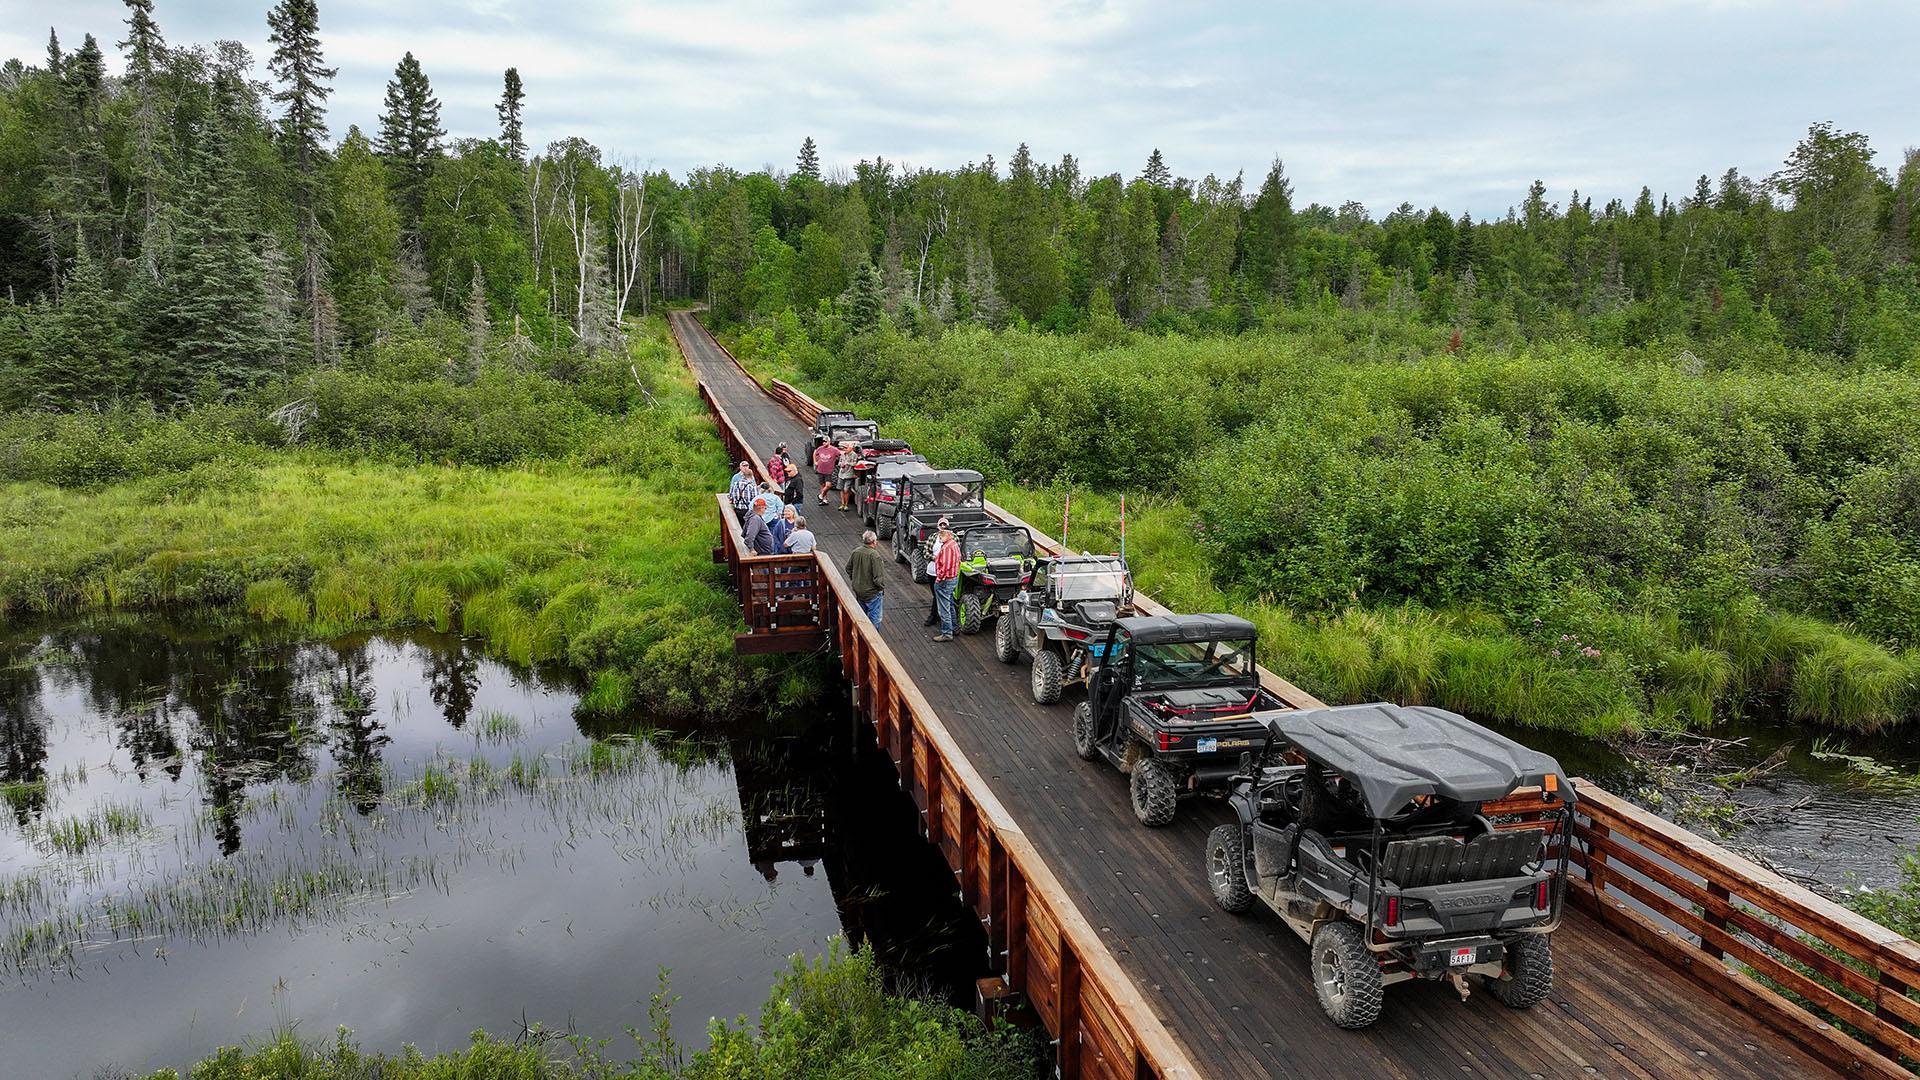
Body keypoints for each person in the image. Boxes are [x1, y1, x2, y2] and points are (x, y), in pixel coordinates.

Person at [845, 529, 886, 625]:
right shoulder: (874, 555)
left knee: (861, 619)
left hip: (859, 591)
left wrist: (855, 579)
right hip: (872, 593)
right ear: (874, 542)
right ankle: (874, 639)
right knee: (875, 620)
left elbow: (848, 568)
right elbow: (878, 578)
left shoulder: (856, 552)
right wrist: (881, 588)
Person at [931, 520, 961, 641]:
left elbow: (946, 566)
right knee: (949, 604)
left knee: (943, 608)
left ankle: (947, 633)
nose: (940, 534)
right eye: (939, 532)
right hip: (953, 579)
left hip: (946, 580)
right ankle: (954, 627)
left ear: (949, 534)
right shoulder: (954, 544)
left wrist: (939, 579)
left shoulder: (948, 547)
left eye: (942, 533)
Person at [923, 515, 947, 627]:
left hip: (944, 572)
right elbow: (925, 552)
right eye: (941, 524)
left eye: (944, 525)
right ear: (937, 526)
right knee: (935, 594)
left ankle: (934, 616)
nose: (942, 527)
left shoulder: (953, 538)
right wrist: (936, 558)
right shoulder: (932, 537)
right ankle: (938, 616)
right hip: (932, 571)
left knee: (940, 594)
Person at [728, 460, 757, 525]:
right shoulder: (752, 486)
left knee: (740, 525)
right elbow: (756, 498)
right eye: (744, 466)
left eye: (746, 466)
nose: (745, 467)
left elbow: (731, 495)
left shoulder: (736, 484)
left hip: (738, 508)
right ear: (752, 476)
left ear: (743, 475)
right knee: (748, 526)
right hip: (748, 509)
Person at [813, 440, 840, 505]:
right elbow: (814, 453)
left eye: (825, 442)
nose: (824, 443)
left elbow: (840, 455)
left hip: (829, 471)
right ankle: (824, 500)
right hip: (820, 470)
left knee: (828, 485)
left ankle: (820, 496)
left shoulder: (834, 450)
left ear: (829, 442)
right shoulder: (820, 448)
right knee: (823, 485)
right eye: (823, 442)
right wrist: (815, 461)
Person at [835, 441, 858, 511]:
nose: (845, 449)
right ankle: (842, 503)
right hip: (841, 474)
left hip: (849, 474)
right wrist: (841, 464)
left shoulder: (854, 455)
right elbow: (839, 462)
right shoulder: (842, 454)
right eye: (844, 448)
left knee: (846, 490)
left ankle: (846, 504)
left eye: (846, 448)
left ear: (851, 448)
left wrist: (848, 463)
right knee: (841, 489)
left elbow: (855, 463)